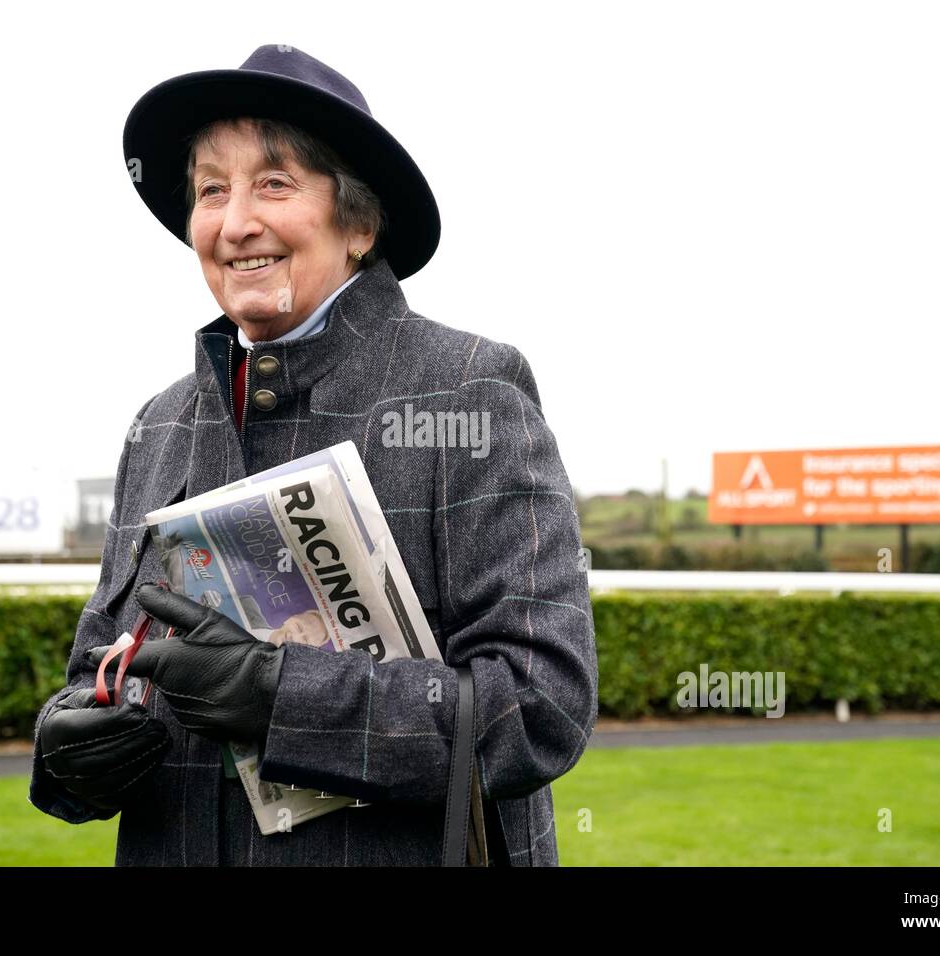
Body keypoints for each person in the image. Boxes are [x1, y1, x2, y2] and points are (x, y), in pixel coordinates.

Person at [30, 44, 599, 866]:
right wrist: (69, 743)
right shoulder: (157, 425)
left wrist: (275, 695)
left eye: (274, 183)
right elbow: (99, 668)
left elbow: (540, 711)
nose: (234, 223)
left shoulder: (469, 390)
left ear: (360, 224)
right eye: (211, 190)